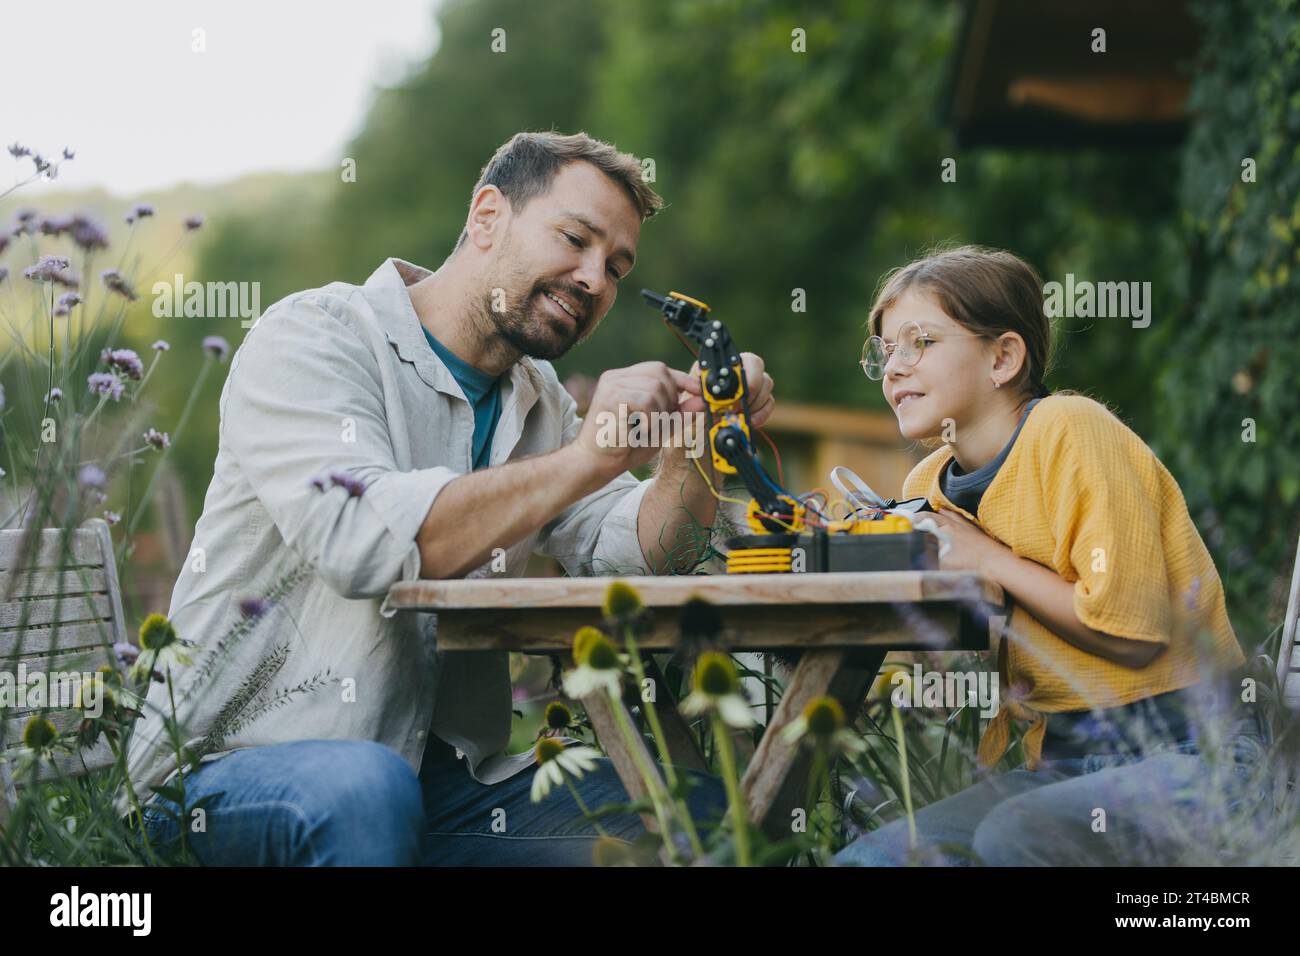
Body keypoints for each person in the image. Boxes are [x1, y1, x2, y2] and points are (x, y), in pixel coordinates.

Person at [121, 131, 773, 865]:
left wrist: (695, 438)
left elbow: (641, 554)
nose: (594, 278)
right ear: (488, 216)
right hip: (228, 773)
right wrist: (589, 457)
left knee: (700, 821)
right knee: (364, 792)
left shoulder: (539, 399)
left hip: (444, 787)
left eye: (616, 267)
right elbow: (364, 543)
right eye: (575, 239)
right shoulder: (312, 338)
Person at [835, 245, 1269, 866]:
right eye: (884, 351)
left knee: (1014, 836)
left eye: (920, 342)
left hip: (1198, 753)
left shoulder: (1071, 428)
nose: (894, 369)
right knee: (870, 860)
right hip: (1064, 764)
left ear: (1003, 358)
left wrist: (985, 558)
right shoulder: (925, 489)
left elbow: (1133, 634)